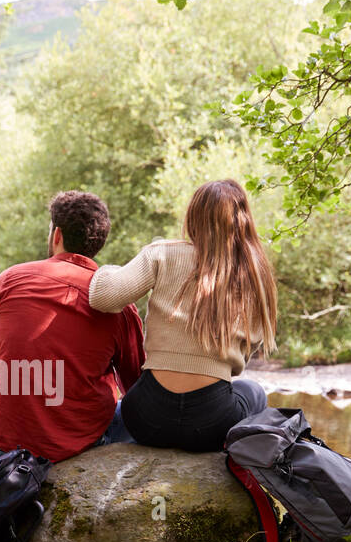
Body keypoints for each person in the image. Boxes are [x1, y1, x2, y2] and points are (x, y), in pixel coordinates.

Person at [89, 178, 276, 451]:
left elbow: (102, 297)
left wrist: (107, 271)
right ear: (243, 221)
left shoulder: (162, 254)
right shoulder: (253, 273)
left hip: (146, 417)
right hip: (213, 424)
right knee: (254, 392)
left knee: (121, 407)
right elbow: (249, 347)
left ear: (192, 216)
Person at [0, 191, 144, 463]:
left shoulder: (10, 279)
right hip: (74, 448)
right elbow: (136, 386)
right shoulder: (118, 300)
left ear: (57, 234)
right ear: (99, 242)